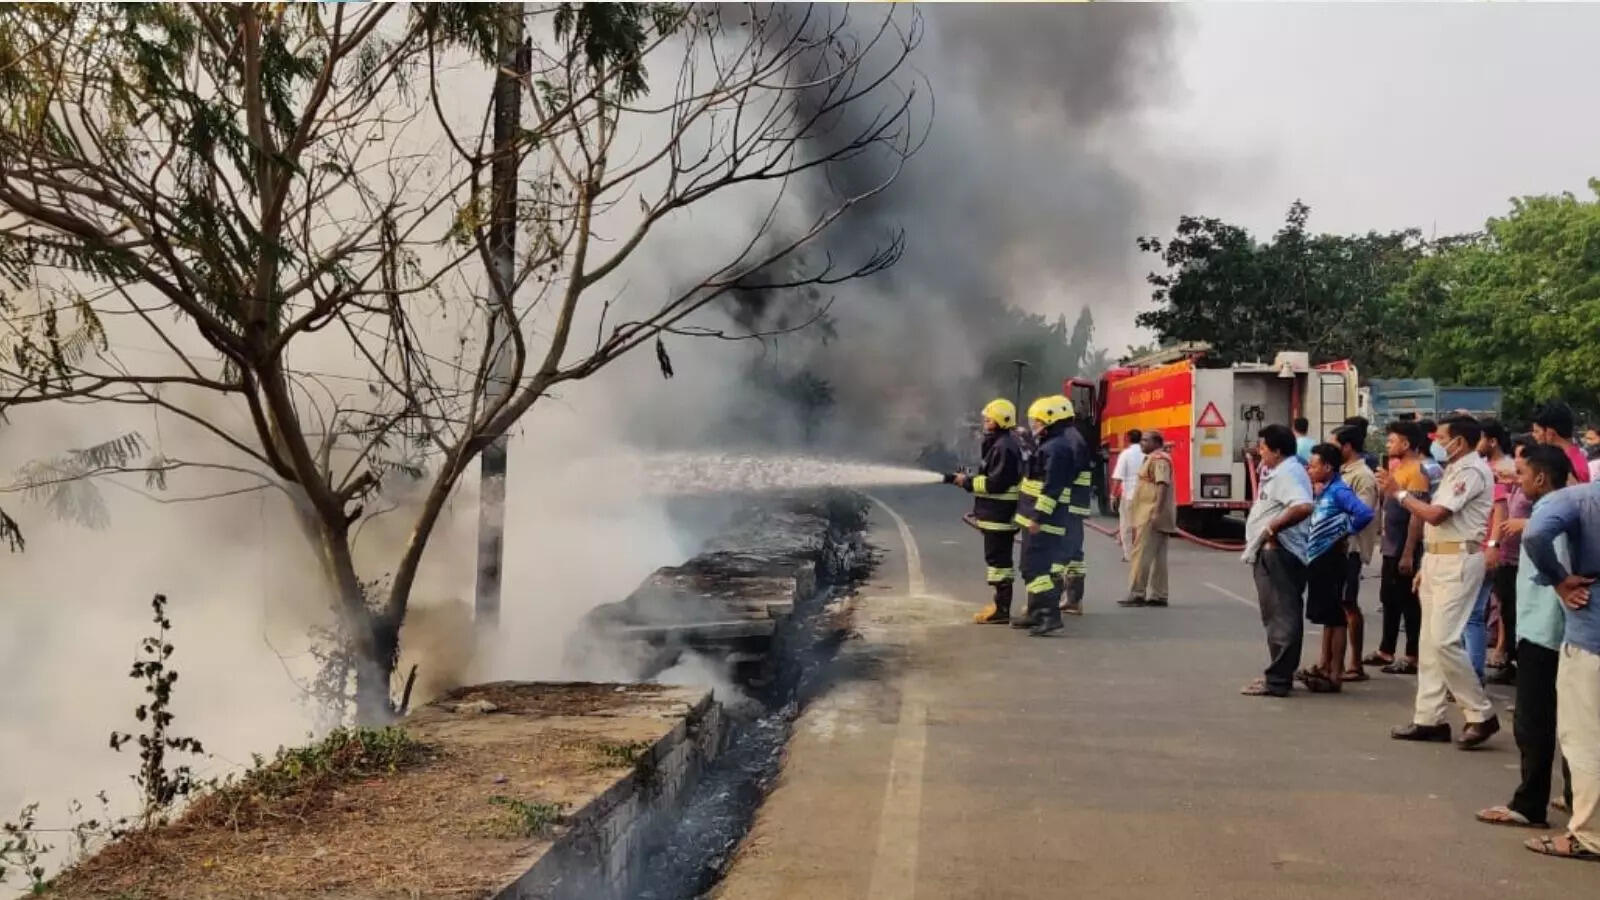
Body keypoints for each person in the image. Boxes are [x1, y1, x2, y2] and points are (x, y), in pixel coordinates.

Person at [1380, 413, 1499, 748]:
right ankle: (1429, 718)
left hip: (1459, 559)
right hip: (1438, 557)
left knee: (1445, 640)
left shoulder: (1472, 471)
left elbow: (1436, 513)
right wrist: (1425, 562)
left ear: (1458, 441)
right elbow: (1437, 522)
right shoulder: (1455, 469)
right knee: (1431, 643)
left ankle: (1480, 713)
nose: (1436, 442)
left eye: (1441, 437)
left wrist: (1399, 494)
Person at [1475, 444, 1575, 830]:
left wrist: (1562, 583)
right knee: (1569, 721)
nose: (1515, 482)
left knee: (1535, 721)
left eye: (1521, 475)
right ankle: (1572, 794)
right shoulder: (1566, 508)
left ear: (1541, 477)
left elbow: (1553, 556)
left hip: (1547, 630)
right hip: (1551, 628)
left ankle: (1530, 804)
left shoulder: (1550, 513)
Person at [1518, 466, 1600, 861]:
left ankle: (1589, 835)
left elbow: (1535, 534)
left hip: (1591, 634)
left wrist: (1558, 579)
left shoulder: (1579, 499)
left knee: (1584, 738)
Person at [1241, 424, 1314, 698]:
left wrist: (1272, 530)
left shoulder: (1288, 473)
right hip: (1272, 550)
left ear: (1278, 450)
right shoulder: (1280, 471)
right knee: (1274, 615)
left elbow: (1303, 505)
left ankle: (1279, 680)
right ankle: (1278, 674)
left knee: (1281, 615)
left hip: (1279, 552)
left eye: (1263, 448)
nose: (1260, 453)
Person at [1296, 443, 1375, 692]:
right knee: (1328, 616)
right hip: (1319, 558)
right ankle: (1326, 666)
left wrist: (1345, 531)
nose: (1310, 469)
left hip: (1331, 559)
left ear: (1328, 467)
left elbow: (1364, 513)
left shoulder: (1340, 490)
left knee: (1336, 617)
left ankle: (1336, 673)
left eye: (1314, 465)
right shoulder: (1325, 490)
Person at [946, 399, 1023, 625]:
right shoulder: (1001, 444)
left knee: (998, 562)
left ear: (1001, 421)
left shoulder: (1004, 447)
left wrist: (967, 482)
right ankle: (1001, 605)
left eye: (989, 419)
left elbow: (996, 483)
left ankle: (1001, 610)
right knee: (999, 561)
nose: (985, 422)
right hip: (996, 513)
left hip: (999, 514)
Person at [1364, 421, 1429, 676]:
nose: (1388, 445)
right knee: (1389, 600)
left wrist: (1408, 551)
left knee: (1409, 603)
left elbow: (1417, 515)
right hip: (1390, 545)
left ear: (1406, 443)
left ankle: (1412, 655)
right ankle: (1385, 649)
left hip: (1404, 544)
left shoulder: (1417, 472)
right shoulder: (1397, 469)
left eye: (1392, 441)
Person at [1011, 395, 1077, 636]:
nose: (1033, 425)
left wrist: (1038, 517)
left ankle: (1049, 615)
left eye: (1037, 421)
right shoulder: (1051, 445)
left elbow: (1052, 487)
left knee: (1035, 569)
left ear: (1050, 421)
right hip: (1037, 517)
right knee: (1031, 567)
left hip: (1044, 521)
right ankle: (1035, 613)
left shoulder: (1056, 449)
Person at [1465, 420, 1515, 681]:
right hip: (1475, 549)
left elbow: (1500, 510)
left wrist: (1494, 546)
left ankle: (1473, 674)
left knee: (1472, 615)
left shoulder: (1492, 471)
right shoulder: (1479, 469)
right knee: (1473, 614)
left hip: (1484, 550)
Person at [1488, 435, 1538, 685]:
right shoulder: (1515, 486)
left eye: (1522, 456)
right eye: (1516, 455)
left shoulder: (1534, 490)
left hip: (1522, 559)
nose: (1516, 461)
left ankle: (1521, 666)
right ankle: (1510, 660)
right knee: (1507, 611)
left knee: (1519, 613)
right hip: (1507, 557)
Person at [1334, 425, 1379, 682]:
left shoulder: (1362, 476)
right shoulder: (1343, 473)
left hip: (1350, 547)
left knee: (1348, 604)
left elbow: (1363, 513)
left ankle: (1354, 663)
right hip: (1337, 547)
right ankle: (1334, 662)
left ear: (1348, 447)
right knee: (1338, 603)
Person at [1120, 431, 1175, 609]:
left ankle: (1137, 593)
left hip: (1150, 513)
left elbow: (1162, 485)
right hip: (1152, 513)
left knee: (1141, 554)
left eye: (1146, 440)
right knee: (1158, 557)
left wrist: (1156, 511)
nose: (1142, 443)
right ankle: (1159, 595)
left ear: (1156, 442)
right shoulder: (1155, 458)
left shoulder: (1159, 459)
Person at [1056, 405, 1095, 616]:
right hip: (1074, 503)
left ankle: (1065, 598)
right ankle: (1073, 599)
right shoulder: (1074, 436)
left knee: (1064, 551)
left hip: (1068, 504)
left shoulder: (1069, 440)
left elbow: (1065, 473)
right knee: (1073, 553)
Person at [1533, 400, 1592, 484]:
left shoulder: (1573, 468)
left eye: (1536, 431)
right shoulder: (1580, 459)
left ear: (1550, 433)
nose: (1533, 436)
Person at [1111, 429, 1145, 563]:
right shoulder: (1146, 454)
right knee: (1141, 526)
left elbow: (1118, 477)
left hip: (1129, 495)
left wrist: (1113, 495)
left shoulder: (1125, 454)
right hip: (1144, 495)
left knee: (1126, 525)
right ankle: (1142, 553)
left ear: (1128, 439)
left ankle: (1129, 554)